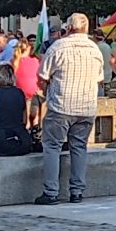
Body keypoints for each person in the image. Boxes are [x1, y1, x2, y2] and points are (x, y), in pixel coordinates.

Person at [36, 20, 107, 206]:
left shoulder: (59, 46)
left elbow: (42, 75)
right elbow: (100, 78)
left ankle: (51, 192)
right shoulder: (94, 49)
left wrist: (46, 90)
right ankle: (77, 191)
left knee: (52, 146)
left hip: (61, 105)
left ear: (68, 28)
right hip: (86, 107)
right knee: (79, 147)